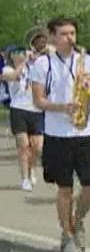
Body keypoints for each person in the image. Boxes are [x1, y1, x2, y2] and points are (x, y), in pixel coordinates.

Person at [28, 18, 90, 252]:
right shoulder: (43, 64)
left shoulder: (88, 61)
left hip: (85, 132)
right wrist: (63, 107)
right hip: (57, 135)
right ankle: (67, 235)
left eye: (73, 33)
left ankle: (77, 219)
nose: (70, 38)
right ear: (53, 37)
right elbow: (38, 100)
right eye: (64, 34)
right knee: (64, 189)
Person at [3, 31, 47, 191]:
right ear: (11, 56)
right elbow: (13, 76)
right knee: (23, 145)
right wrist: (25, 61)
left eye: (21, 52)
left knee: (37, 147)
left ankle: (31, 168)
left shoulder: (35, 66)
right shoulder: (8, 69)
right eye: (15, 54)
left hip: (35, 110)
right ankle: (25, 178)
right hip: (18, 109)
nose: (19, 55)